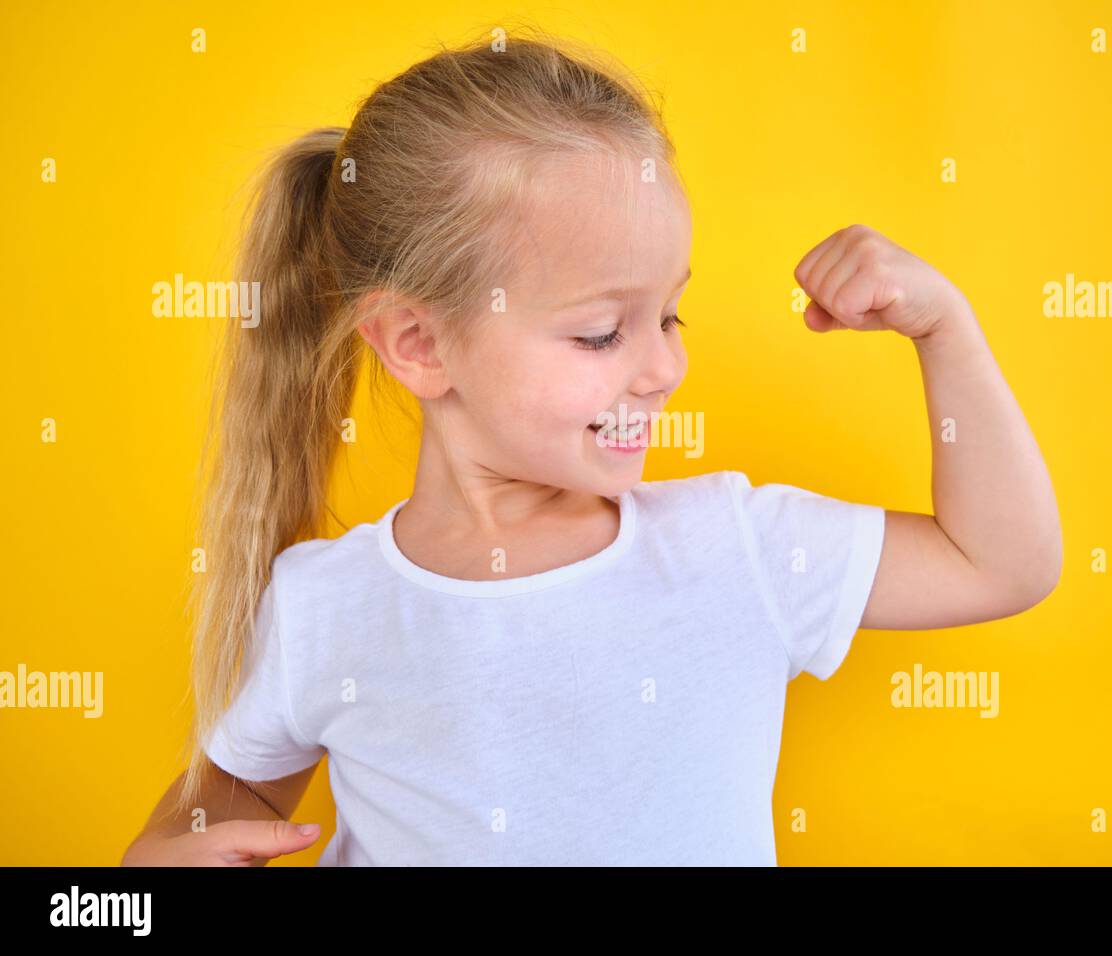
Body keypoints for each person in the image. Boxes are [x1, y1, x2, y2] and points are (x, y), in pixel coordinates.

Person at [122, 29, 1061, 867]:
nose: (664, 368)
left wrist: (945, 330)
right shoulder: (326, 605)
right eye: (603, 333)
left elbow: (1000, 563)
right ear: (418, 344)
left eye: (671, 315)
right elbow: (233, 799)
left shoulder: (739, 549)